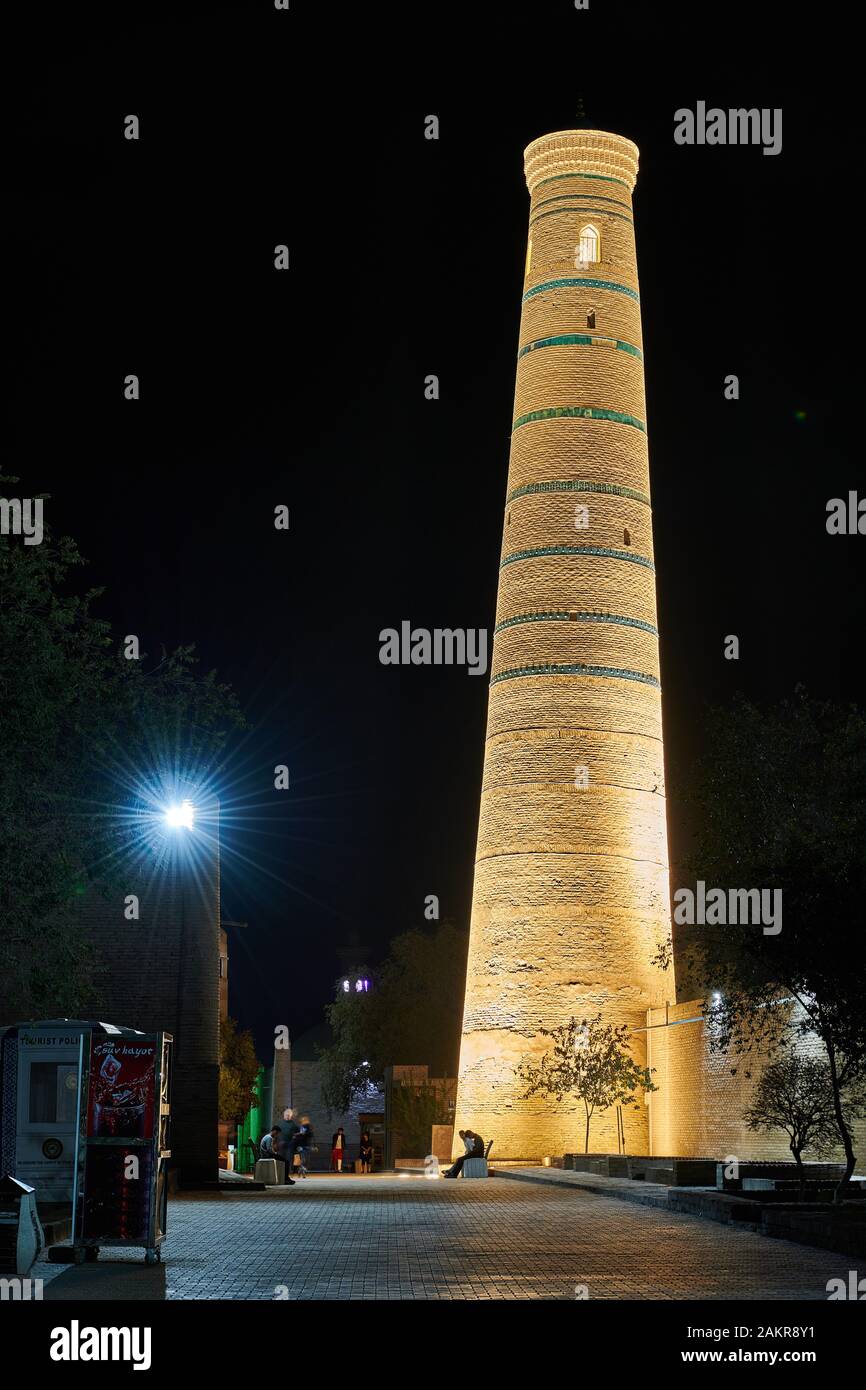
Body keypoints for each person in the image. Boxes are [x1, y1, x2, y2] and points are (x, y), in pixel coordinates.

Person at [276, 1107, 299, 1185]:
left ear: (291, 1116)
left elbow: (297, 1133)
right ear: (284, 1115)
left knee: (288, 1159)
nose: (287, 1116)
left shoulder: (293, 1125)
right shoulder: (281, 1124)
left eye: (289, 1115)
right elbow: (277, 1134)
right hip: (281, 1144)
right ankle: (282, 1174)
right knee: (281, 1159)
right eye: (286, 1115)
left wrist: (293, 1138)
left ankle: (287, 1175)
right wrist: (279, 1141)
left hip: (290, 1145)